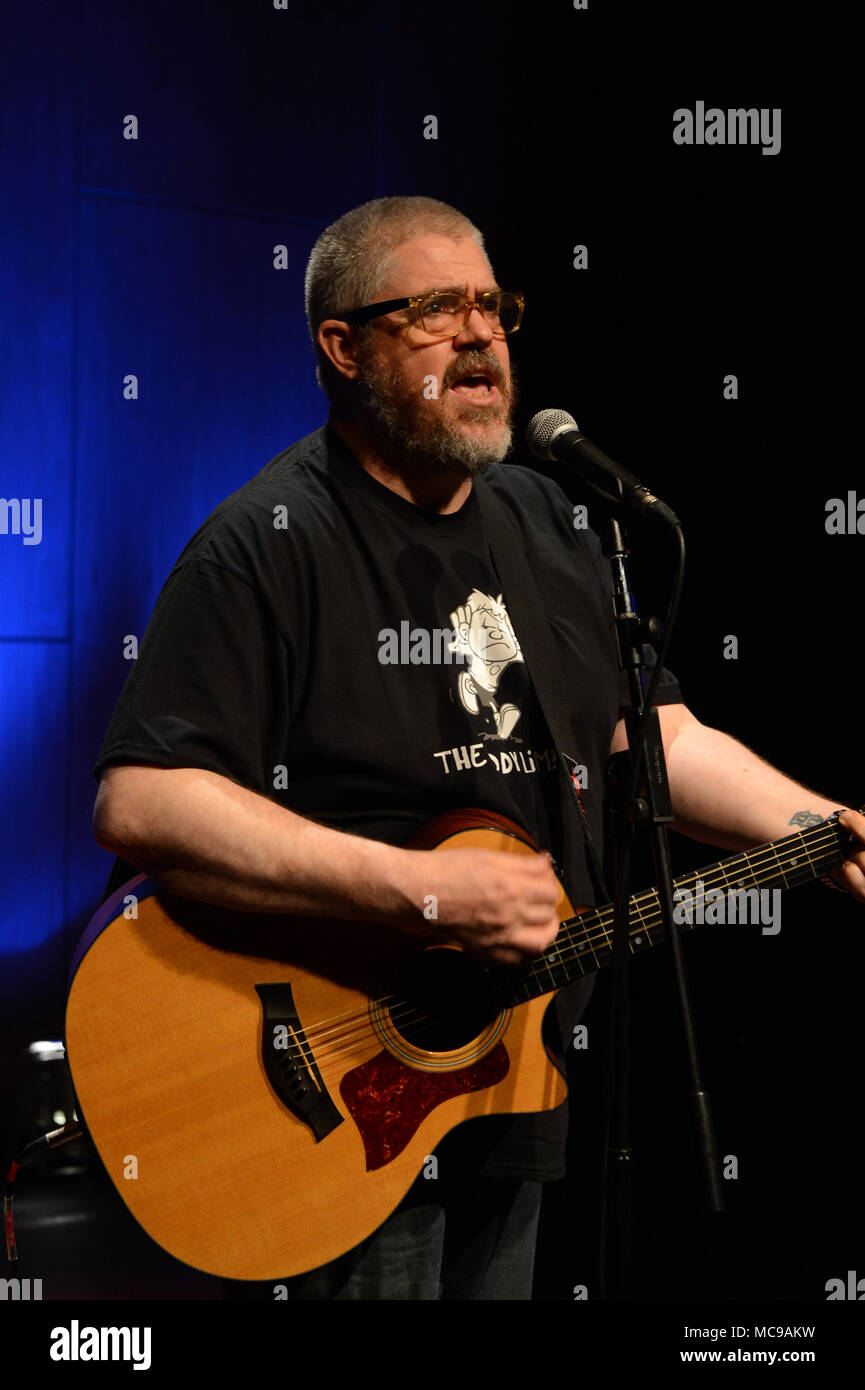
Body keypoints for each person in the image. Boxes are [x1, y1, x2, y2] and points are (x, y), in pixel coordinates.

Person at [91, 195, 865, 1300]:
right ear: (342, 348)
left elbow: (647, 735)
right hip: (324, 1087)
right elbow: (142, 800)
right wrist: (423, 893)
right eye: (436, 309)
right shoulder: (268, 543)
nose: (480, 333)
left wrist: (812, 822)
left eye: (493, 306)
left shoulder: (549, 523)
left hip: (501, 1081)